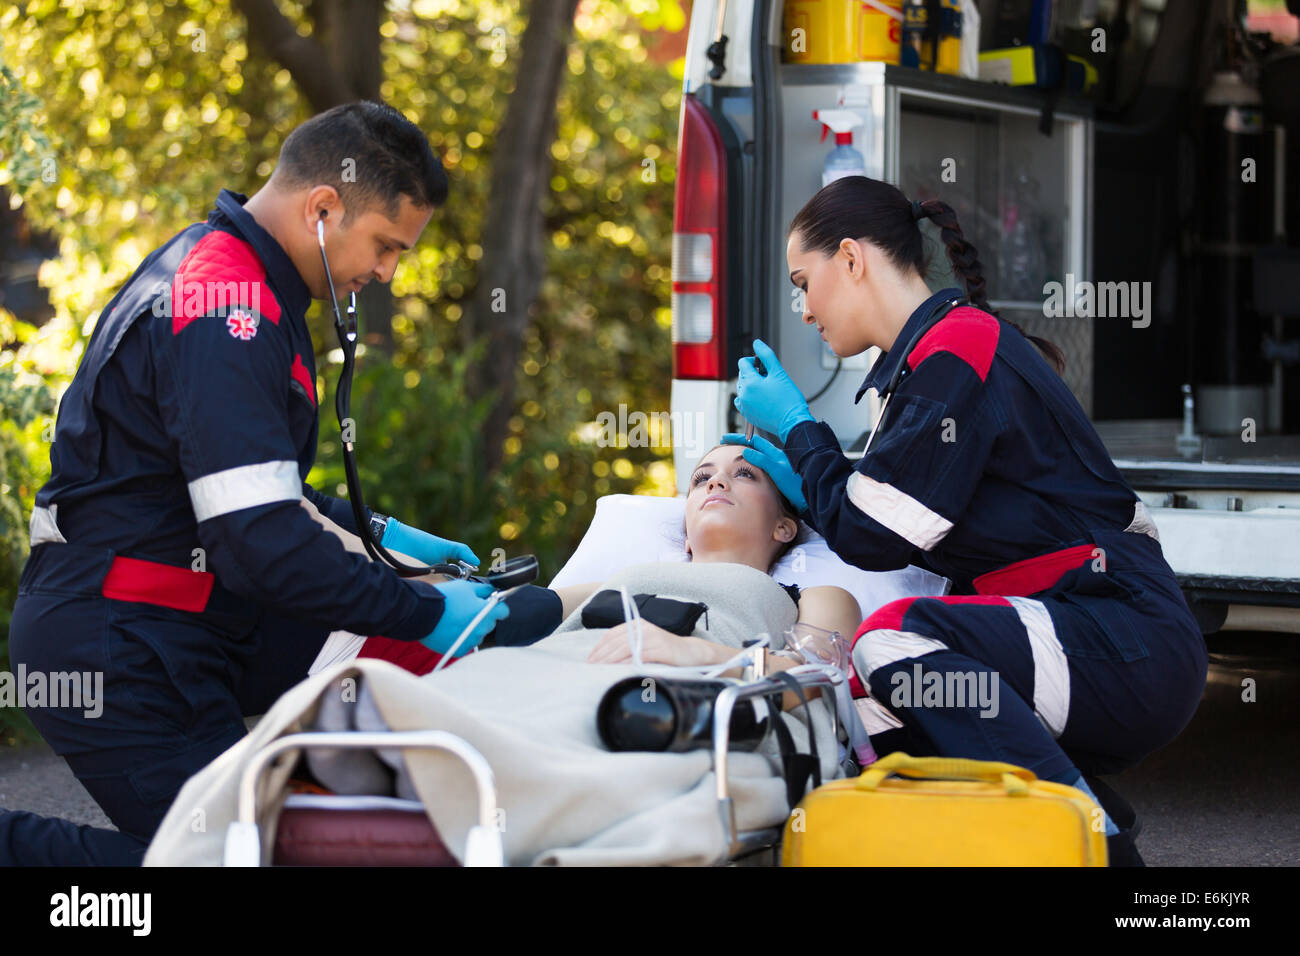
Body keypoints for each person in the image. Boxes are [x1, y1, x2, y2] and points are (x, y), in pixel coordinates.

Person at [1, 101, 508, 866]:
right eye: (386, 245)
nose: (386, 273)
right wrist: (425, 609)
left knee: (267, 841)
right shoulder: (225, 303)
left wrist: (380, 535)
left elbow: (240, 487)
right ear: (323, 207)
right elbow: (259, 544)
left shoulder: (237, 280)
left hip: (175, 621)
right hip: (120, 641)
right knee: (223, 862)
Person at [726, 175, 1208, 866]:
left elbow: (873, 533)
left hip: (1127, 637)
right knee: (867, 713)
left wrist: (802, 428)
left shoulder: (956, 352)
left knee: (890, 643)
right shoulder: (930, 363)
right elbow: (879, 509)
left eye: (805, 281)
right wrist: (806, 478)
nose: (802, 309)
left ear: (854, 260)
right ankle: (1072, 822)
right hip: (1088, 641)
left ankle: (1094, 844)